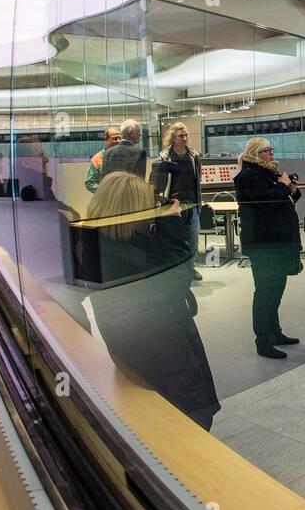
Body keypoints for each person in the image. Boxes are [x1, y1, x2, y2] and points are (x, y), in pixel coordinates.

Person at [83, 172, 219, 430]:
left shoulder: (104, 244)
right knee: (187, 422)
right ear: (132, 211)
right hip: (161, 356)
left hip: (146, 351)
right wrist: (172, 228)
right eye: (148, 204)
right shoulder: (123, 256)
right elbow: (174, 282)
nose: (155, 208)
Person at [233, 137, 303, 360]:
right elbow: (266, 204)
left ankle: (275, 332)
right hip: (264, 244)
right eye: (266, 150)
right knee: (265, 292)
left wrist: (290, 189)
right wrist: (282, 186)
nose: (271, 154)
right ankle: (262, 340)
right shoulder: (248, 176)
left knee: (276, 289)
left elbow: (281, 201)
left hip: (277, 242)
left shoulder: (267, 173)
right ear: (255, 154)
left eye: (272, 149)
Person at [157, 122, 204, 281]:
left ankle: (189, 269)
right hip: (173, 206)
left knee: (193, 240)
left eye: (185, 135)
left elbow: (198, 177)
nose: (184, 138)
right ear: (173, 137)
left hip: (193, 204)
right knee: (175, 240)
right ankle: (178, 272)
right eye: (180, 136)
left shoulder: (193, 155)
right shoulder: (165, 156)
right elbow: (161, 182)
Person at [84, 125, 120, 194]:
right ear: (106, 139)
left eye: (119, 138)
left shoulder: (125, 155)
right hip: (107, 200)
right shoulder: (97, 159)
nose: (118, 141)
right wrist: (106, 191)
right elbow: (89, 183)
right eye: (115, 138)